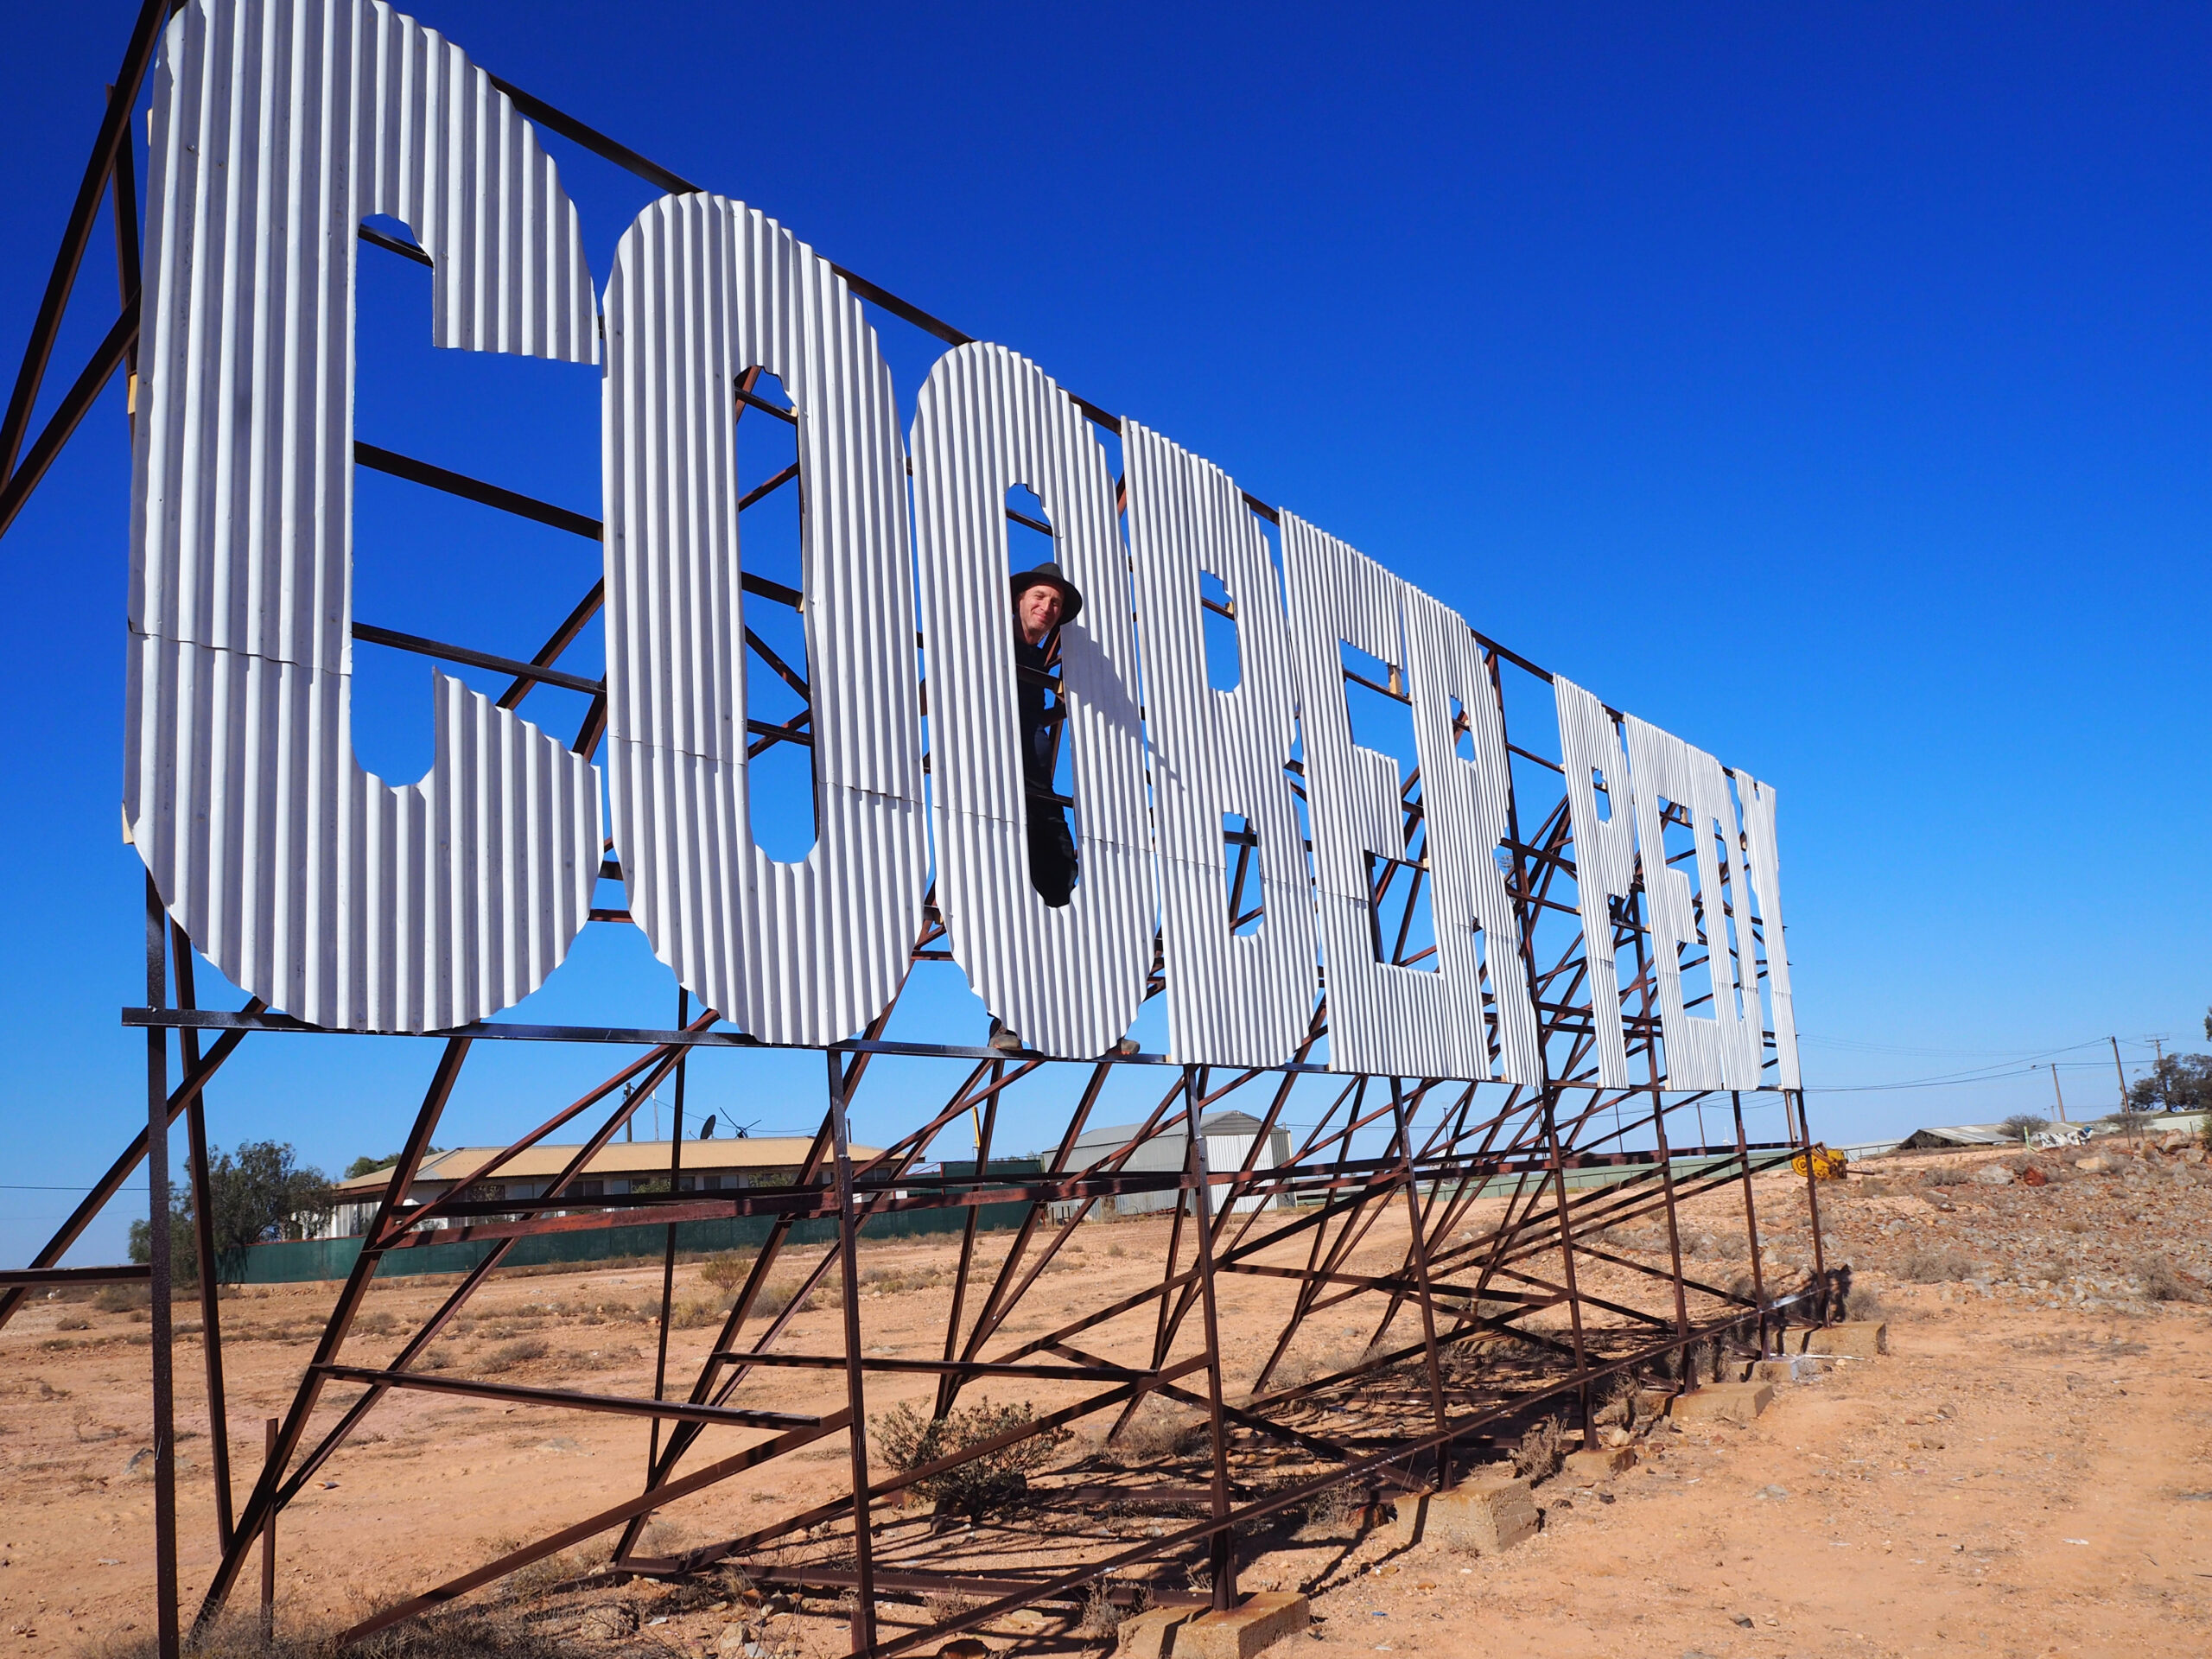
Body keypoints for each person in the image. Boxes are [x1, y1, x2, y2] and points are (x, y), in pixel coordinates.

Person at [988, 562, 1134, 1058]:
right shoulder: (985, 642)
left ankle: (1088, 1021)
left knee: (1061, 894)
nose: (1047, 608)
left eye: (1054, 603)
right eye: (1040, 596)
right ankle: (1005, 1019)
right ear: (1018, 598)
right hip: (986, 796)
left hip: (1036, 794)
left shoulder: (1039, 664)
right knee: (1002, 902)